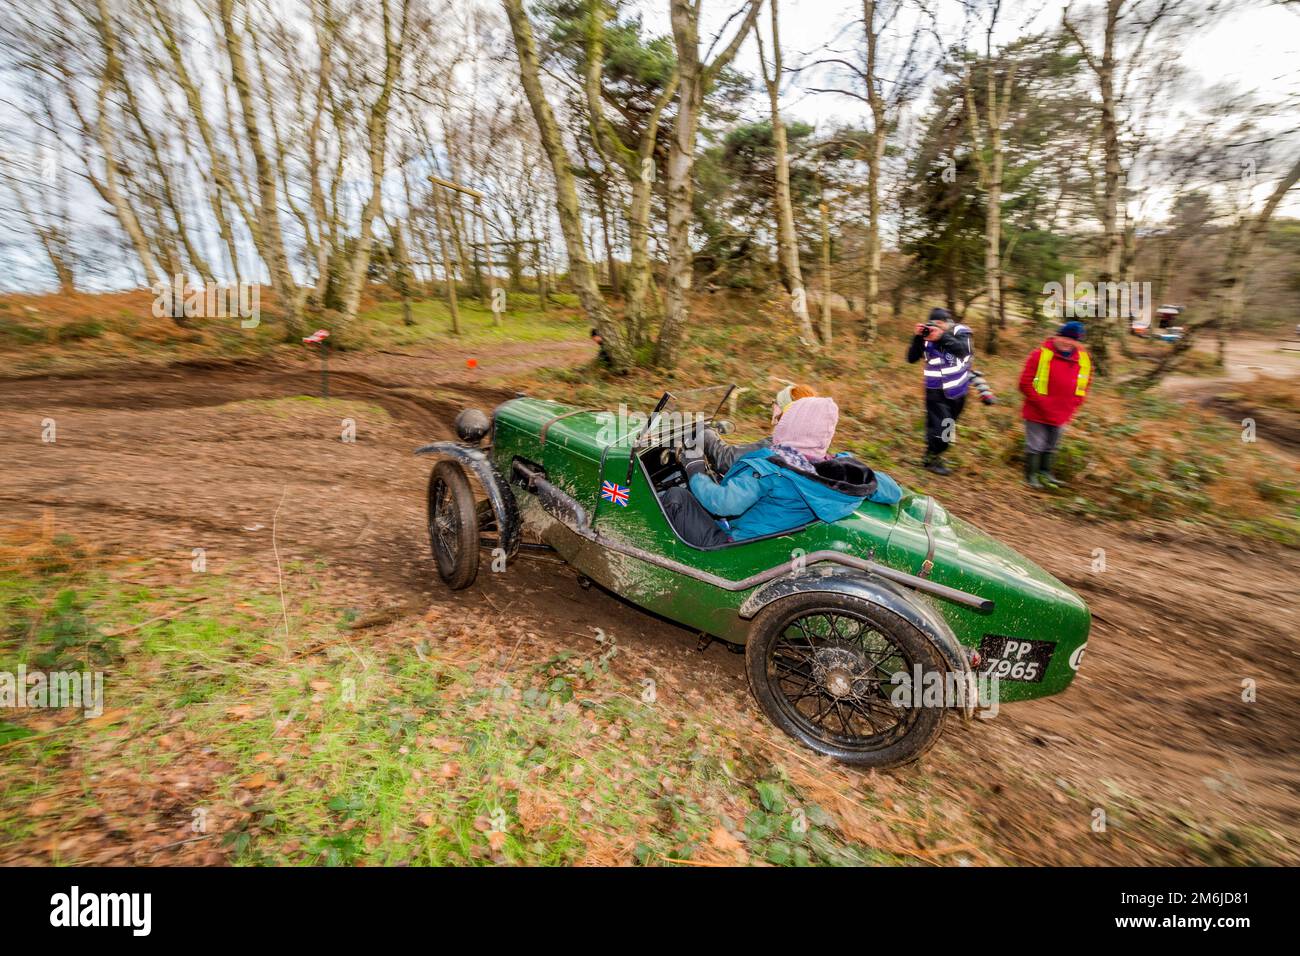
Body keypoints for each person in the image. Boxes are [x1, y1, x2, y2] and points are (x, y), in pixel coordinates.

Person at [659, 396, 903, 547]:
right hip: (776, 547)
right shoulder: (836, 470)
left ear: (791, 427)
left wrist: (694, 468)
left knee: (676, 497)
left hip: (738, 547)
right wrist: (861, 470)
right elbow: (893, 492)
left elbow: (722, 504)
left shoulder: (771, 469)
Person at [1018, 320, 1092, 489]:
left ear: (1077, 341)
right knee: (1035, 445)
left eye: (1072, 339)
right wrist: (1041, 402)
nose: (1067, 342)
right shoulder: (1040, 354)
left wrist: (1076, 402)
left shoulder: (1084, 359)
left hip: (1063, 412)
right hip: (1037, 410)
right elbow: (1024, 383)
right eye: (1064, 337)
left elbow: (1086, 382)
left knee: (1052, 445)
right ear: (1057, 336)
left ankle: (1046, 474)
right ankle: (1031, 477)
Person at [906, 307, 974, 475]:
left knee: (948, 426)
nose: (937, 326)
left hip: (958, 389)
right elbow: (911, 358)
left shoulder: (960, 332)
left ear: (947, 322)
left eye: (940, 323)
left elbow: (963, 351)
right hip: (935, 390)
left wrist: (941, 337)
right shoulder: (926, 335)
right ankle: (932, 459)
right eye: (934, 323)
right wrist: (917, 337)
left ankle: (932, 455)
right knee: (941, 426)